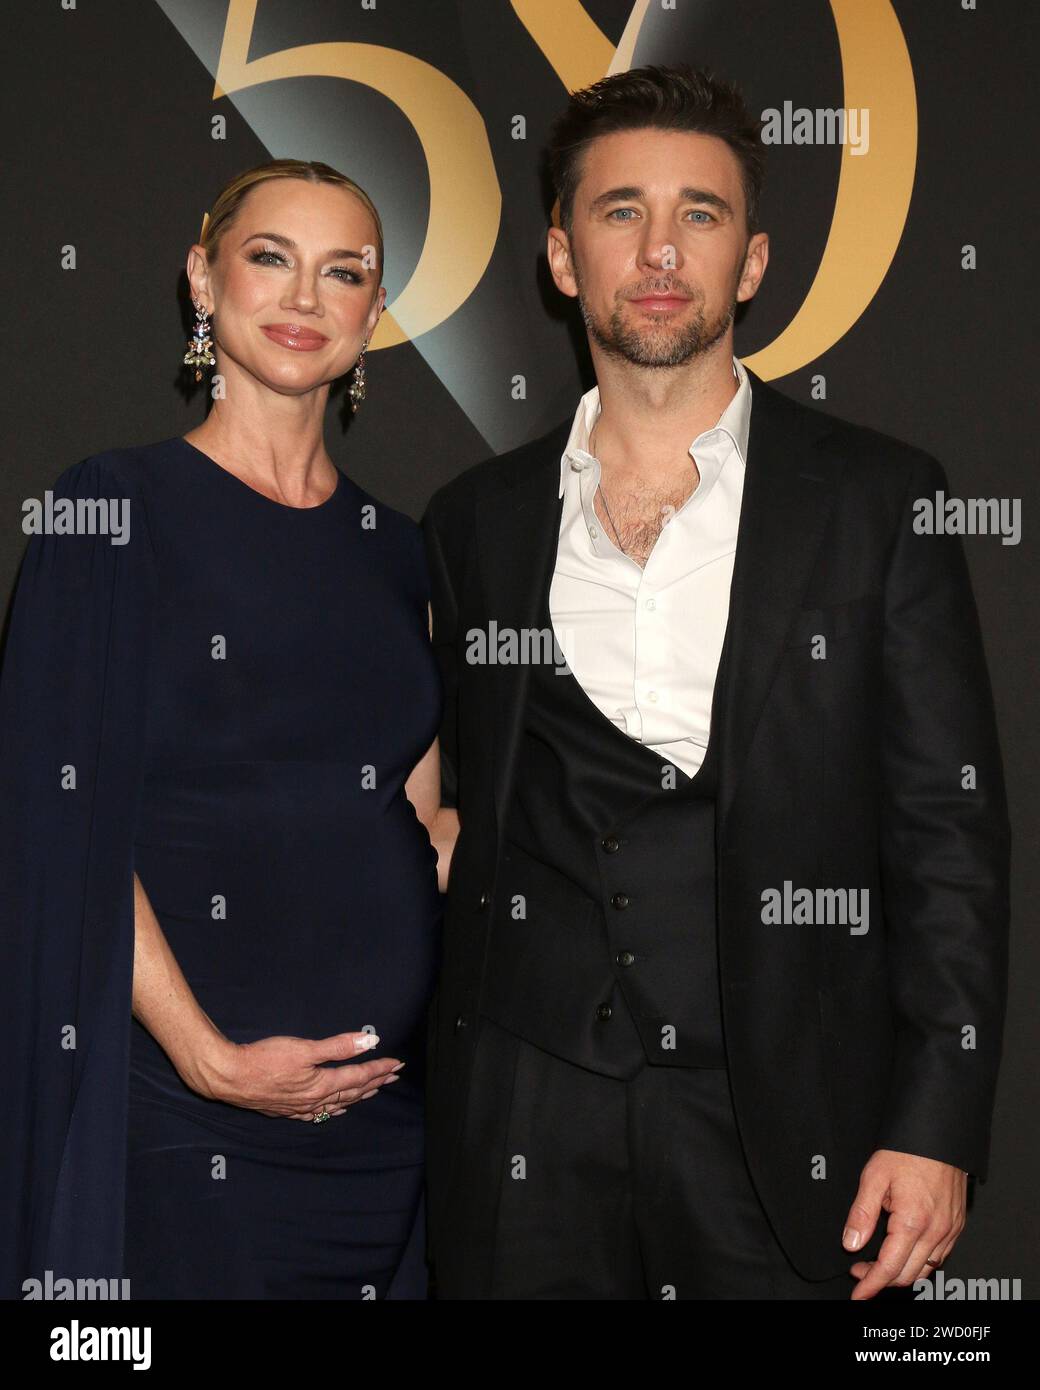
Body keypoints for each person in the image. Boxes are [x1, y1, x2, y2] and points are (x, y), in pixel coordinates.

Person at [420, 66, 1011, 1300]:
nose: (657, 251)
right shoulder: (474, 521)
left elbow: (947, 834)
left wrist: (938, 1119)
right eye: (619, 210)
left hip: (785, 1127)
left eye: (698, 214)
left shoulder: (874, 499)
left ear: (747, 263)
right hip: (526, 1118)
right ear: (559, 256)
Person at [0, 159, 457, 1300]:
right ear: (203, 278)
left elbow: (413, 809)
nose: (305, 299)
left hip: (383, 1119)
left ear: (373, 312)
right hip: (181, 1109)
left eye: (342, 272)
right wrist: (207, 1059)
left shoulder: (400, 550)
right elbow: (61, 823)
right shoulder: (110, 511)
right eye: (271, 259)